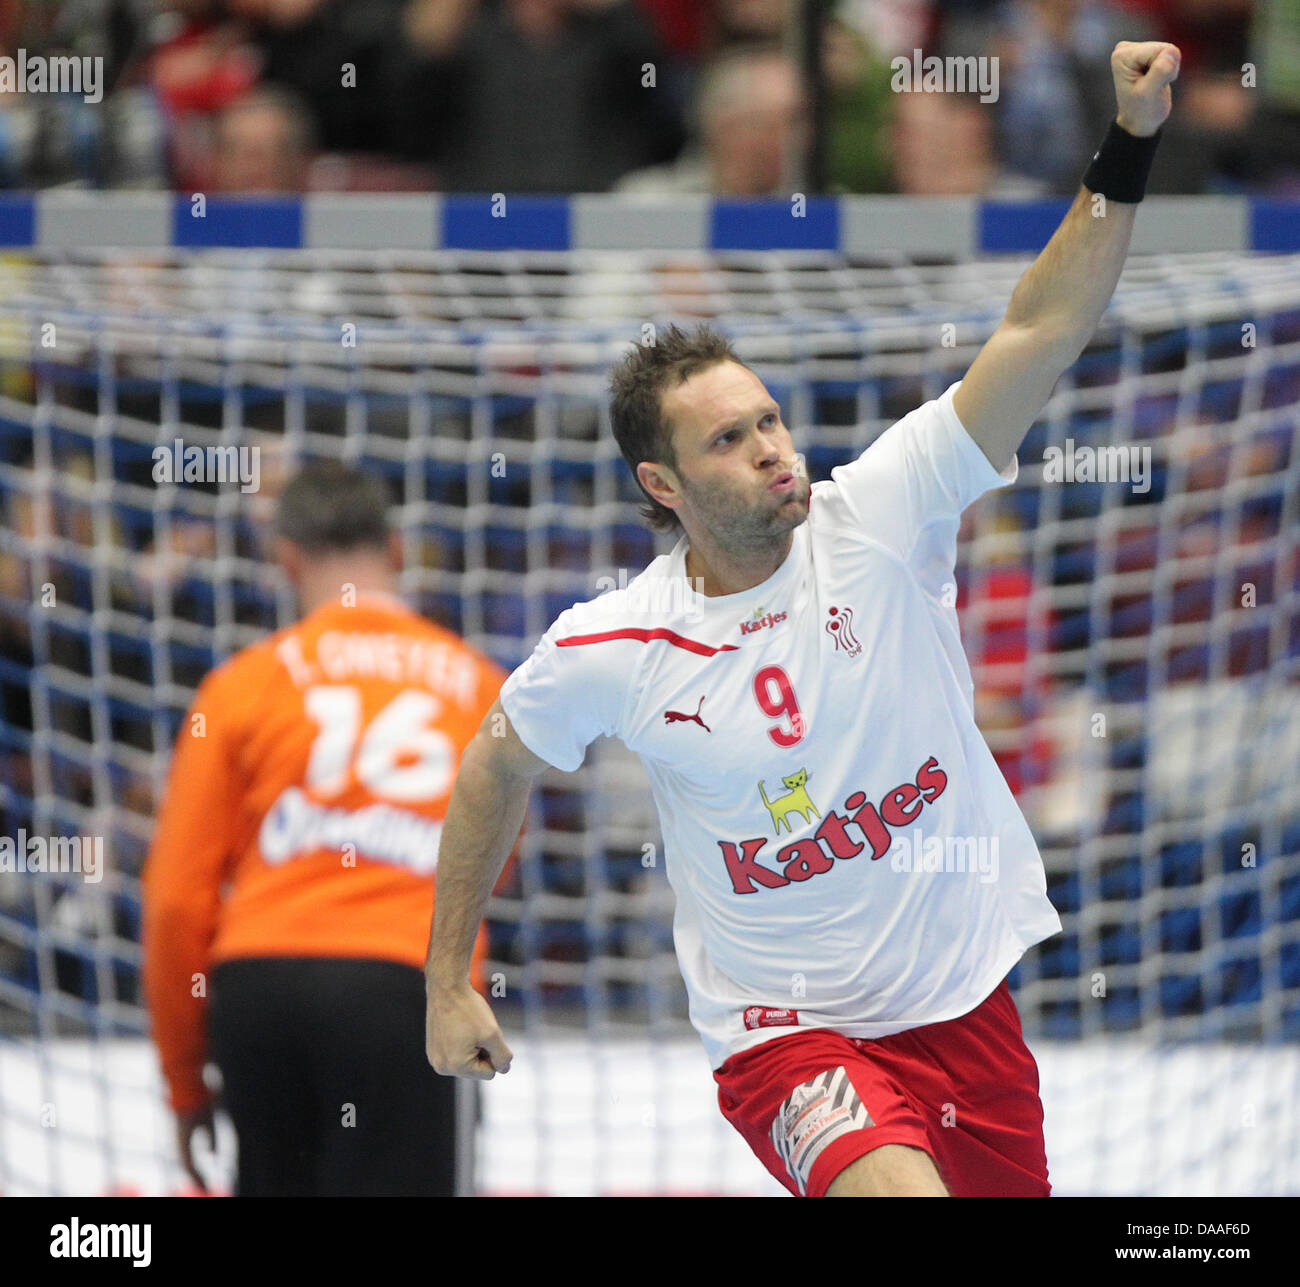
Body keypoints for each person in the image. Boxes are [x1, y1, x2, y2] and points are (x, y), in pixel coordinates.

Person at [425, 41, 1181, 1196]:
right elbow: (492, 762)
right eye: (727, 439)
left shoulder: (878, 513)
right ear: (661, 487)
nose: (771, 447)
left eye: (768, 419)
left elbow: (1038, 329)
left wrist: (1127, 144)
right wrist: (445, 977)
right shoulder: (617, 644)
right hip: (787, 1034)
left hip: (958, 1002)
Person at [143, 461, 505, 1195]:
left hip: (260, 987)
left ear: (285, 557)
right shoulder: (479, 684)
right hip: (404, 984)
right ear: (397, 548)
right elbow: (494, 863)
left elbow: (175, 899)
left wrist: (184, 1082)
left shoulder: (243, 682)